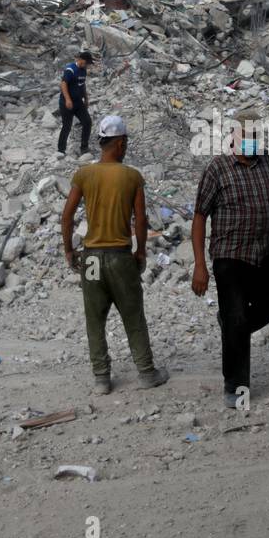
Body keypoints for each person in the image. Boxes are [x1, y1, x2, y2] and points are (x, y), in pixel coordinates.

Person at [190, 109, 269, 409]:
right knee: (238, 318)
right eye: (248, 137)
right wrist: (200, 265)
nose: (253, 143)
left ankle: (231, 326)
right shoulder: (217, 169)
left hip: (263, 253)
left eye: (257, 137)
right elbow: (200, 217)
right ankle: (236, 386)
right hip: (229, 256)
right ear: (234, 137)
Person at [61, 115, 169, 395]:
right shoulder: (131, 176)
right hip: (120, 258)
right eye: (126, 142)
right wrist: (141, 251)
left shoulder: (83, 175)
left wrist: (70, 251)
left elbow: (67, 216)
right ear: (120, 143)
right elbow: (141, 220)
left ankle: (101, 379)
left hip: (92, 259)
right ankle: (146, 373)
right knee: (133, 316)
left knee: (95, 319)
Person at [58, 51, 95, 157]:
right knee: (67, 126)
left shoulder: (83, 70)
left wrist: (86, 99)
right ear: (82, 60)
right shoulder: (70, 69)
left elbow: (82, 85)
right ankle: (61, 150)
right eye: (87, 63)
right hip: (66, 102)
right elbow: (63, 84)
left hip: (78, 102)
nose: (88, 65)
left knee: (87, 122)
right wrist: (68, 100)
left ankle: (84, 147)